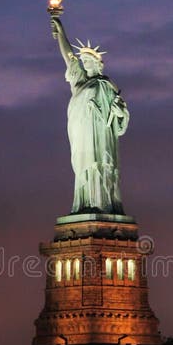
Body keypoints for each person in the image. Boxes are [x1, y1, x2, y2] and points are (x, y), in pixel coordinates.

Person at [50, 16, 130, 215]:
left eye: (89, 61)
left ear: (99, 64)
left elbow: (121, 116)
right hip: (82, 133)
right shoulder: (79, 82)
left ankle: (104, 204)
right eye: (83, 61)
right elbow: (69, 57)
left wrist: (120, 112)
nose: (85, 64)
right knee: (84, 166)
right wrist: (61, 32)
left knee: (101, 164)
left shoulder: (107, 85)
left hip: (102, 134)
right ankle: (85, 203)